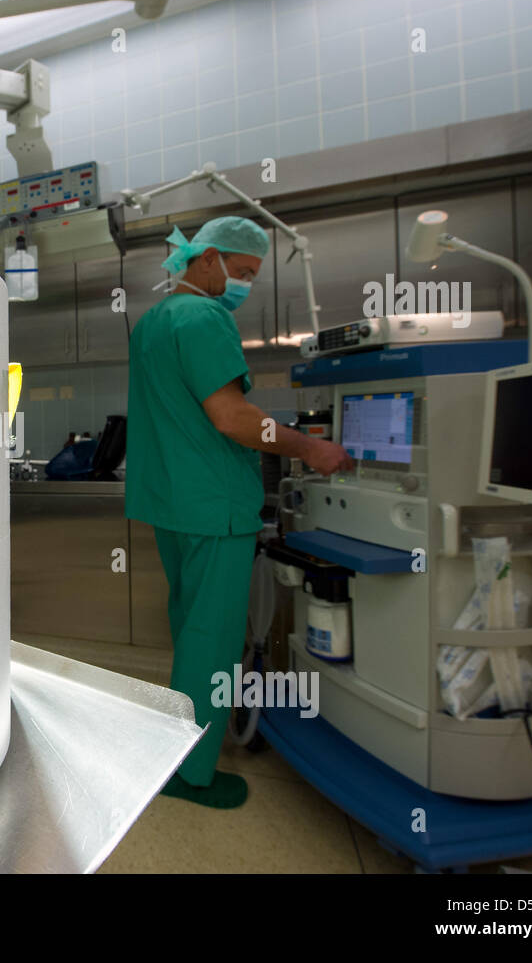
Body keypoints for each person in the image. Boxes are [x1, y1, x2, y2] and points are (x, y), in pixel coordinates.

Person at [125, 216, 353, 809]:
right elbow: (232, 418)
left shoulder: (153, 322)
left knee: (191, 631)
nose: (243, 285)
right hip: (214, 508)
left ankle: (176, 746)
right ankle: (192, 775)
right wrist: (311, 447)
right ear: (207, 260)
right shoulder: (203, 318)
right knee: (213, 642)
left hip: (173, 505)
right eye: (243, 272)